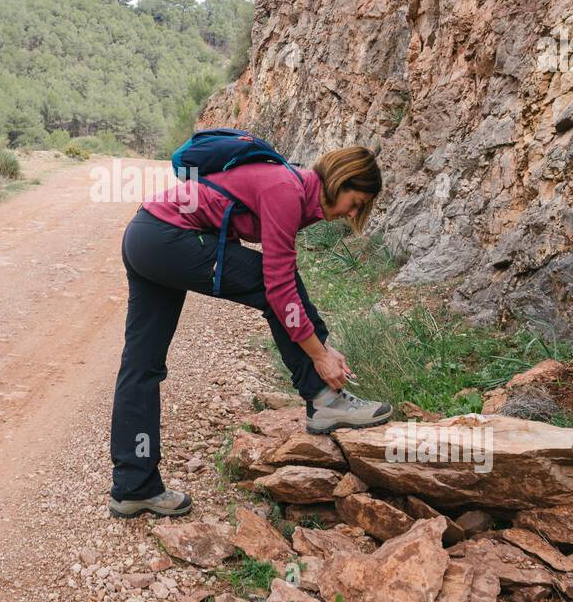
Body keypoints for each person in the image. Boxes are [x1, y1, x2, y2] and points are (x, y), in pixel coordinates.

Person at [107, 146, 391, 518]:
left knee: (141, 365)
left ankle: (133, 487)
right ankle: (324, 397)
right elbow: (278, 288)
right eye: (356, 202)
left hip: (145, 235)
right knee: (275, 284)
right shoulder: (286, 189)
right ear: (340, 181)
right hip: (166, 238)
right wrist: (320, 354)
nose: (352, 213)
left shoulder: (293, 188)